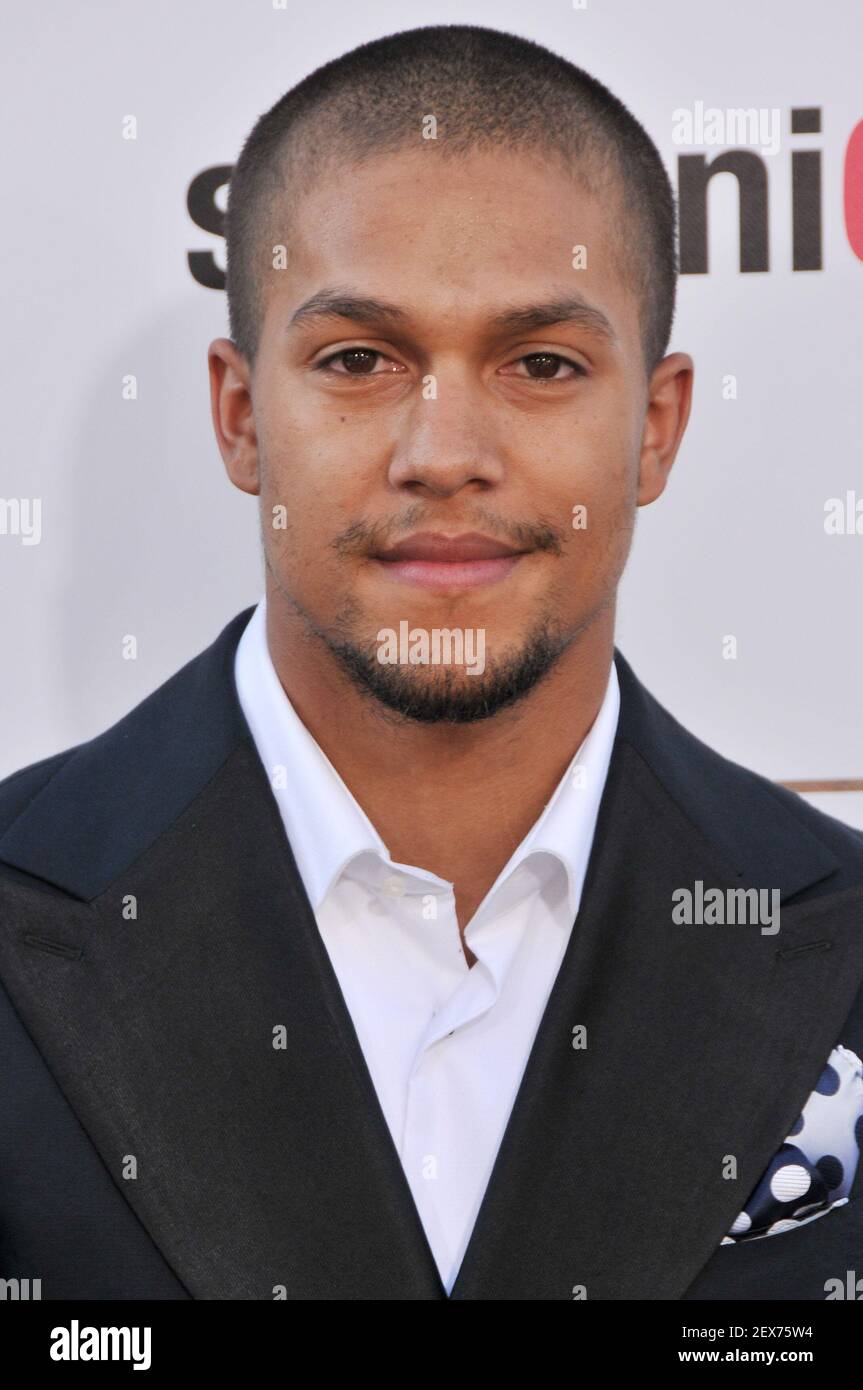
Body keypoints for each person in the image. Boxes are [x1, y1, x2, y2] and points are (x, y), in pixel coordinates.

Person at [1, 24, 862, 1302]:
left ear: (654, 429)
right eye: (358, 359)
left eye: (540, 364)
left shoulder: (835, 935)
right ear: (242, 417)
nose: (442, 450)